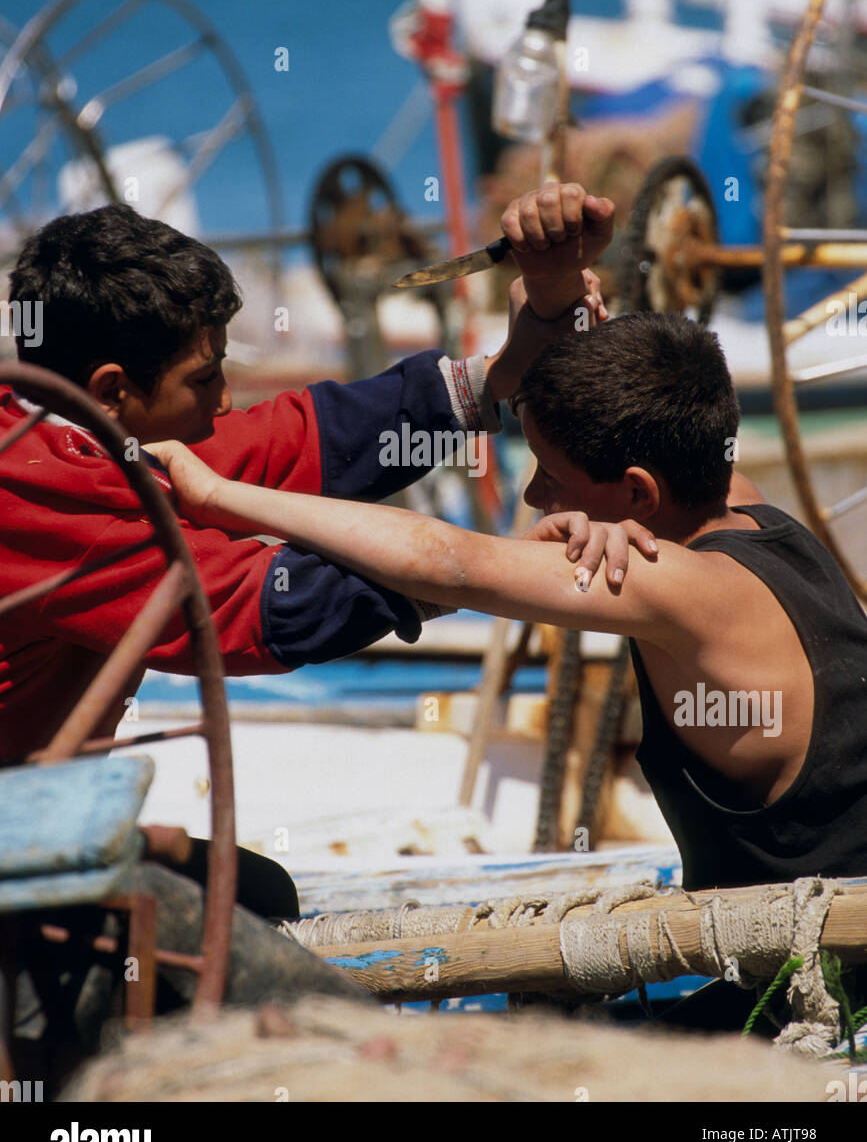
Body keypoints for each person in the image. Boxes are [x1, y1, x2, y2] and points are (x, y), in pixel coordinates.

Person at [146, 311, 867, 1032]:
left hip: (815, 995)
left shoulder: (680, 586)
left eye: (549, 477)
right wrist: (563, 300)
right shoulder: (748, 513)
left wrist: (217, 499)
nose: (530, 500)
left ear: (640, 495)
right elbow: (657, 405)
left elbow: (446, 560)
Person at [0, 184, 618, 765]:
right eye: (204, 376)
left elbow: (300, 440)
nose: (222, 403)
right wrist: (492, 568)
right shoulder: (47, 496)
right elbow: (256, 611)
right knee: (257, 888)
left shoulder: (52, 436)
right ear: (111, 389)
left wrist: (504, 369)